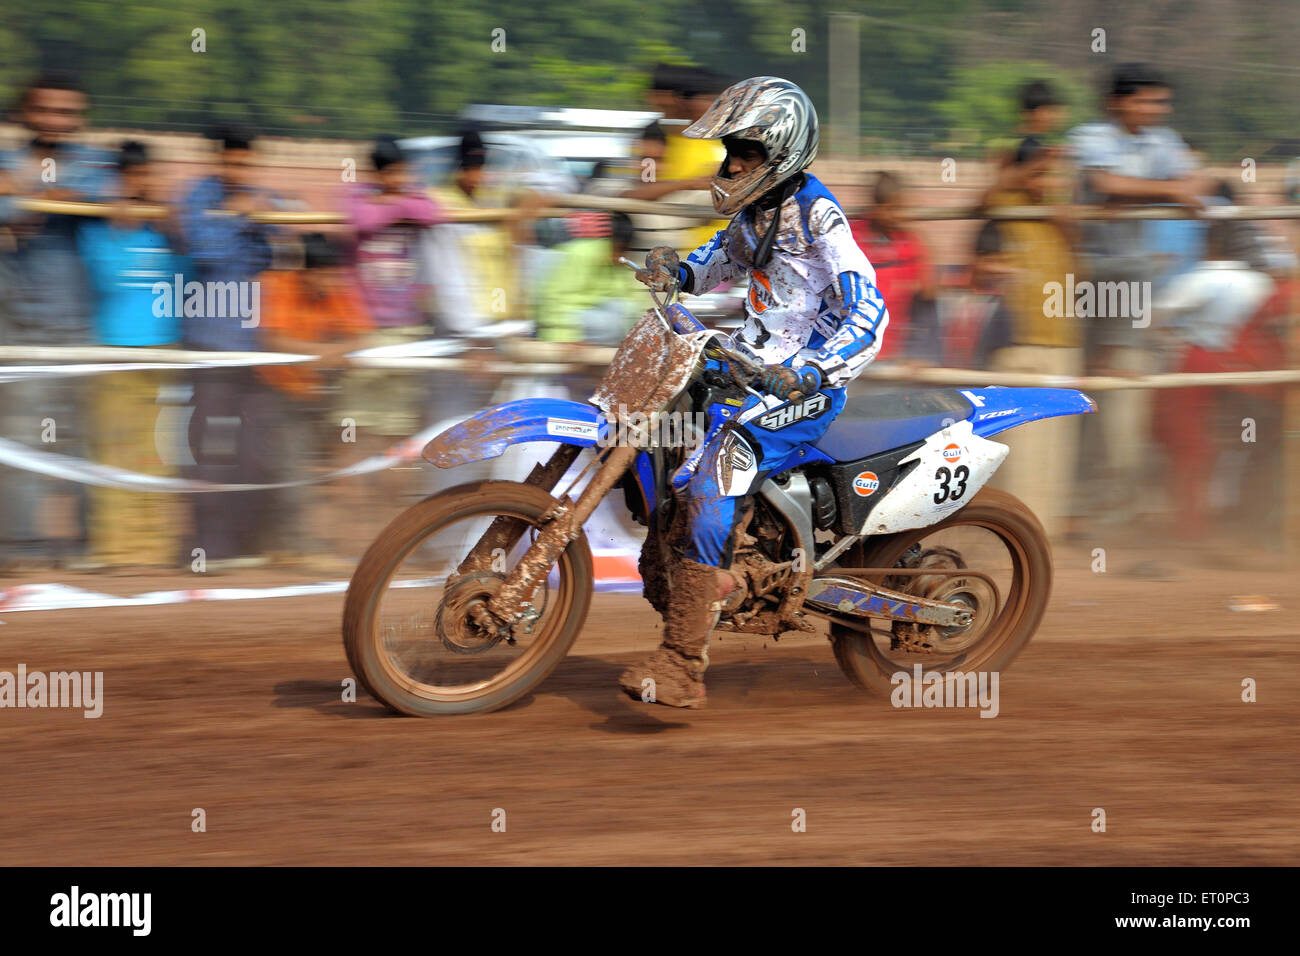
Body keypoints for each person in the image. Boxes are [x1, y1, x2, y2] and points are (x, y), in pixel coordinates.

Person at [618, 76, 889, 708]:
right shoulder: (757, 211)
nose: (731, 163)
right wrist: (680, 272)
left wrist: (818, 369)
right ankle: (694, 556)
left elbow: (869, 310)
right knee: (660, 430)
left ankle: (684, 659)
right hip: (751, 362)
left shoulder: (820, 217)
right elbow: (723, 259)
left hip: (803, 380)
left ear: (783, 153)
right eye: (728, 151)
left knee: (716, 468)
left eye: (746, 152)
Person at [1066, 62, 1210, 525]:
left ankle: (1111, 500)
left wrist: (1139, 194)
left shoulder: (1163, 141)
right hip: (1080, 275)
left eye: (1160, 101)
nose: (1156, 109)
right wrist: (1167, 192)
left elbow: (1200, 183)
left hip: (1129, 277)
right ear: (1117, 102)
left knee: (1118, 384)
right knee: (1078, 383)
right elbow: (1104, 183)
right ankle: (1076, 493)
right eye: (1146, 100)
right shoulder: (1091, 137)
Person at [0, 69, 113, 567]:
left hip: (80, 324)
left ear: (80, 118)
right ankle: (19, 547)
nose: (56, 120)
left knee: (82, 438)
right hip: (19, 323)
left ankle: (85, 546)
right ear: (26, 112)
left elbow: (99, 200)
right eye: (46, 110)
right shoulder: (6, 157)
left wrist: (23, 193)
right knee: (21, 436)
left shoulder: (99, 164)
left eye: (67, 112)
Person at [77, 140, 186, 567]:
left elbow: (189, 265)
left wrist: (170, 223)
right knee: (113, 449)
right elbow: (110, 279)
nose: (140, 182)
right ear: (118, 175)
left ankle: (155, 550)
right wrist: (119, 224)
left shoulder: (165, 222)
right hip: (116, 349)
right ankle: (116, 550)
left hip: (165, 351)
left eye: (146, 173)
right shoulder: (97, 224)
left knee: (159, 451)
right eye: (132, 174)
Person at [178, 125, 281, 566]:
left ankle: (245, 543)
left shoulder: (260, 200)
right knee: (208, 447)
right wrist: (242, 216)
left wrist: (259, 221)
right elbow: (205, 251)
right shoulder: (197, 198)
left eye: (246, 162)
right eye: (231, 161)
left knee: (253, 445)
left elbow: (271, 256)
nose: (239, 169)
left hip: (253, 346)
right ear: (217, 160)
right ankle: (206, 546)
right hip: (210, 346)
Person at [849, 171, 935, 362]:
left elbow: (927, 300)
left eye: (902, 209)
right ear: (875, 207)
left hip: (895, 354)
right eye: (892, 208)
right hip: (850, 350)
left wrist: (921, 353)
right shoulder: (851, 239)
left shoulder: (911, 245)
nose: (898, 215)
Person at [534, 212, 643, 345]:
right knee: (612, 323)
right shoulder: (580, 254)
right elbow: (552, 300)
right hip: (565, 322)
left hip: (592, 318)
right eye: (618, 249)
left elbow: (627, 299)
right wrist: (567, 338)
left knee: (628, 312)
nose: (619, 255)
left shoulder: (619, 261)